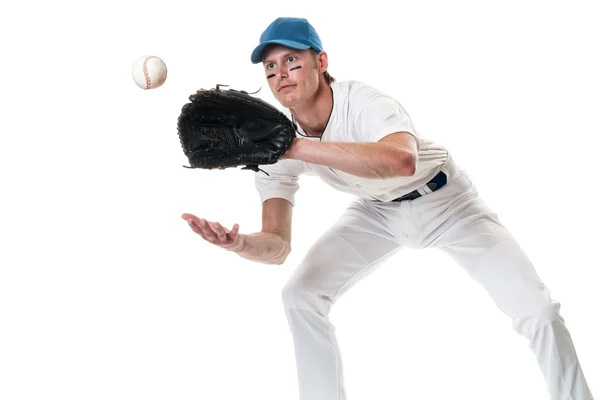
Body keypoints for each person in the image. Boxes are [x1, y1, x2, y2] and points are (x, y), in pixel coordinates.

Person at [181, 17, 595, 400]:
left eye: (291, 60)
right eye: (270, 67)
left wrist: (296, 147)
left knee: (537, 310)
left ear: (321, 61)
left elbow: (401, 161)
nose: (280, 74)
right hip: (376, 213)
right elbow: (277, 245)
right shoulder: (270, 142)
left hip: (448, 202)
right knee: (300, 294)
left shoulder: (361, 101)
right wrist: (240, 244)